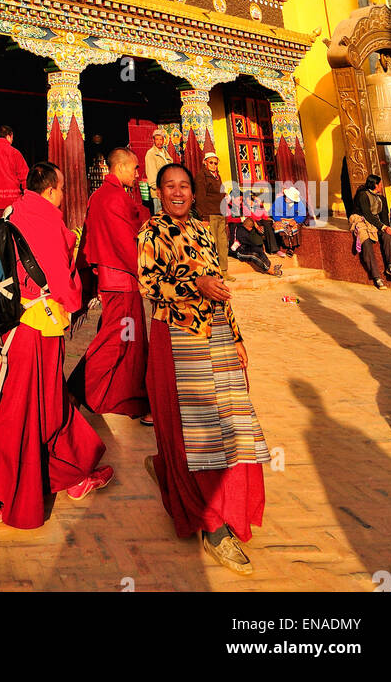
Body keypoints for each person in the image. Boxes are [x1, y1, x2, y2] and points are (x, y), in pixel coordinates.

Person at [0, 162, 114, 529]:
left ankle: (72, 474)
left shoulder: (19, 209)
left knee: (49, 404)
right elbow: (64, 286)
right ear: (50, 191)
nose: (63, 196)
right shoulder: (46, 219)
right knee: (15, 410)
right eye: (61, 189)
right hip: (32, 332)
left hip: (29, 326)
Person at [138, 163, 269, 575]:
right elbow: (147, 283)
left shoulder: (202, 231)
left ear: (193, 193)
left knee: (232, 422)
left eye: (184, 187)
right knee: (195, 429)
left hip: (216, 333)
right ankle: (210, 523)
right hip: (177, 335)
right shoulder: (151, 232)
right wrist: (194, 285)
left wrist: (237, 335)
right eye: (169, 186)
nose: (177, 193)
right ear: (160, 193)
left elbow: (220, 289)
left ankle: (229, 503)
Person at [67, 148, 150, 421]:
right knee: (116, 340)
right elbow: (126, 243)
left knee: (129, 340)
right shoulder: (114, 198)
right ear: (122, 168)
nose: (138, 175)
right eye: (135, 168)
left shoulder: (100, 196)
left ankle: (119, 394)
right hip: (121, 281)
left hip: (112, 280)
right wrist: (147, 273)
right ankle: (75, 389)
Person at [350, 173, 391, 288]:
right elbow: (367, 214)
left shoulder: (381, 198)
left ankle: (390, 265)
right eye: (380, 184)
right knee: (366, 243)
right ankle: (376, 276)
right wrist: (383, 226)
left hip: (375, 222)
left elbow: (384, 216)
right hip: (362, 220)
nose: (382, 186)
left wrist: (387, 227)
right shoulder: (363, 195)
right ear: (375, 185)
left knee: (386, 236)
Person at [193, 152, 231, 281]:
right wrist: (203, 216)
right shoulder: (201, 176)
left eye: (216, 163)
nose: (214, 165)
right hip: (210, 214)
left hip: (220, 213)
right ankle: (214, 272)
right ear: (205, 162)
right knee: (212, 244)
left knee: (222, 243)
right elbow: (200, 197)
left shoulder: (217, 176)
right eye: (211, 162)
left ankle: (224, 271)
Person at [144, 128, 173, 215]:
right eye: (157, 139)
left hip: (168, 188)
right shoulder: (151, 153)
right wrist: (155, 186)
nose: (159, 142)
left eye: (161, 139)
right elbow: (151, 171)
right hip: (158, 189)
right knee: (159, 214)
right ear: (153, 140)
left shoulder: (165, 153)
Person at [271, 183, 307, 254]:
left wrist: (295, 220)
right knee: (280, 227)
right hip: (281, 219)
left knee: (294, 228)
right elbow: (274, 211)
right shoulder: (279, 201)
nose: (286, 198)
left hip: (293, 219)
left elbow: (302, 214)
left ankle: (292, 247)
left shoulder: (299, 203)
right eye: (286, 196)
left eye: (289, 197)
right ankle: (285, 246)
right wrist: (278, 220)